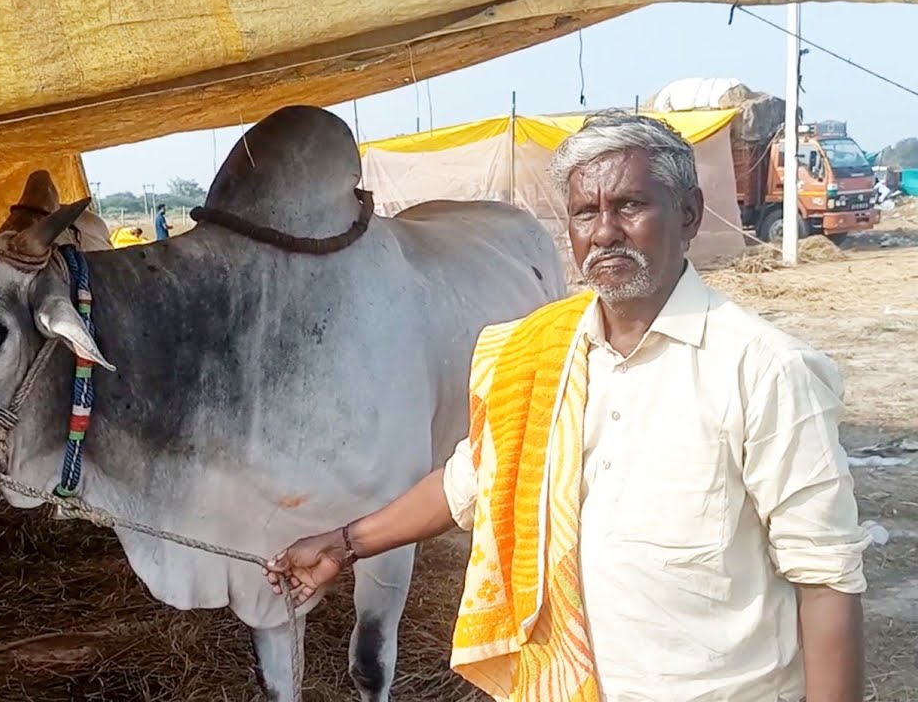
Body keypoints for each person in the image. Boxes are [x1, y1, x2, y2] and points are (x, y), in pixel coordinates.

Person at [265, 110, 869, 702]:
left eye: (630, 205)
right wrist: (341, 546)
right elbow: (472, 480)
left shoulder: (765, 370)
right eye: (586, 212)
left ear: (687, 213)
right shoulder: (538, 352)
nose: (604, 231)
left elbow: (826, 580)